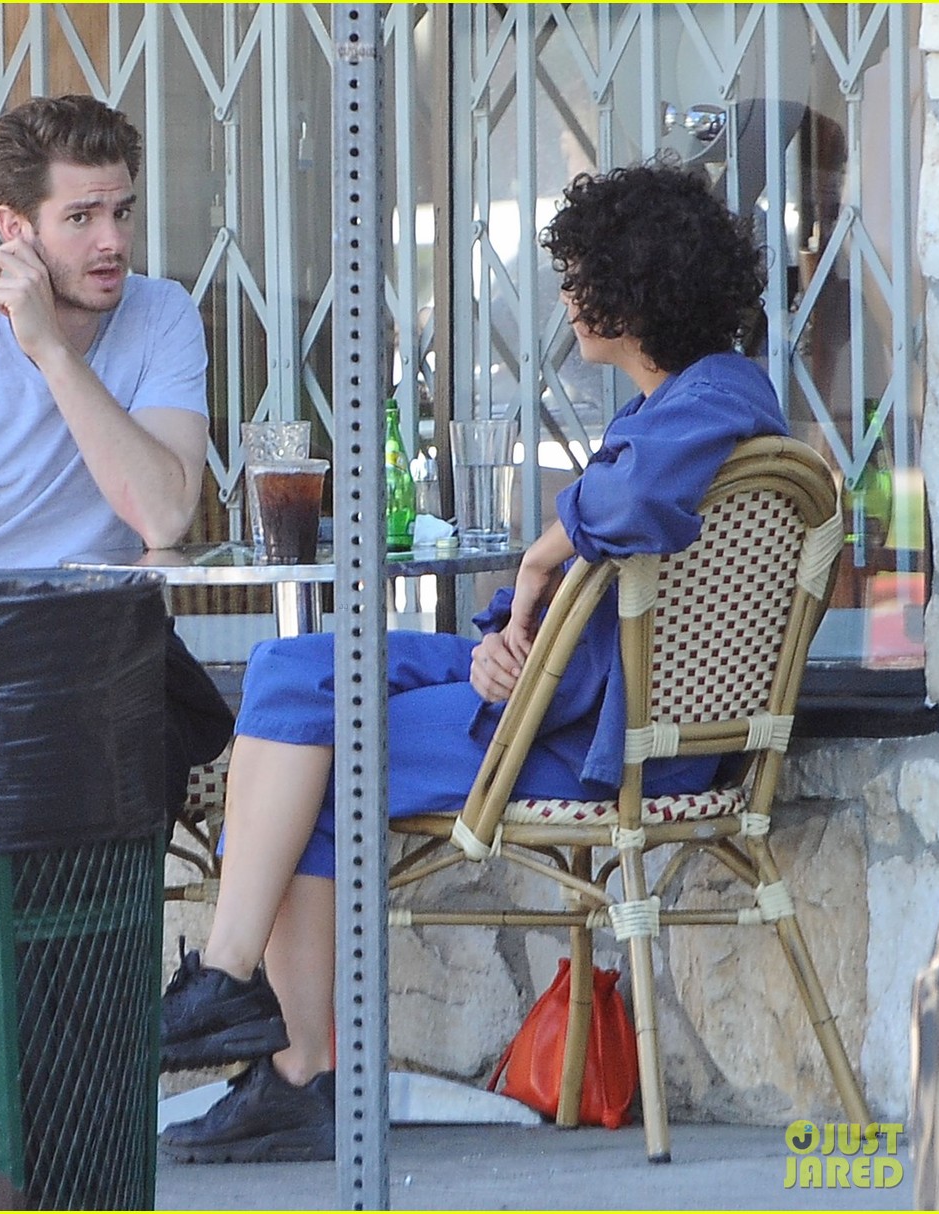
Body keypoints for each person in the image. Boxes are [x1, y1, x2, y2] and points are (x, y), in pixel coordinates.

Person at [157, 161, 788, 1164]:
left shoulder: (718, 398)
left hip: (596, 740)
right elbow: (604, 575)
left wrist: (543, 549)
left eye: (580, 274)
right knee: (290, 667)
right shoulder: (685, 398)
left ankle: (286, 1062)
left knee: (308, 756)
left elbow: (621, 515)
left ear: (635, 288)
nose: (566, 297)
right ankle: (244, 999)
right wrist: (510, 629)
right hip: (562, 692)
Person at [0, 94, 233, 832]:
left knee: (136, 730)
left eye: (122, 212)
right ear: (14, 229)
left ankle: (97, 947)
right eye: (80, 218)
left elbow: (161, 513)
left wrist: (52, 353)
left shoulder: (161, 317)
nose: (112, 243)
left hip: (119, 653)